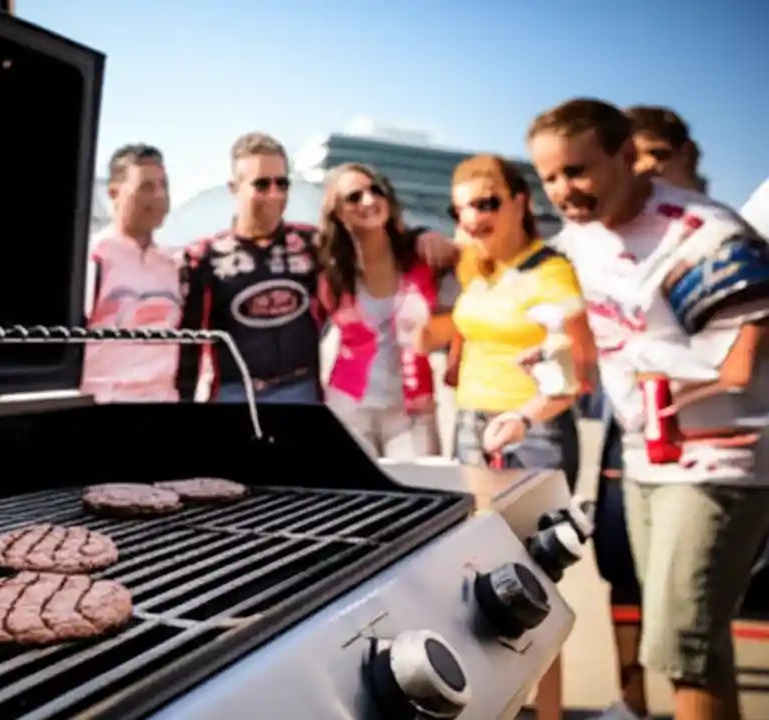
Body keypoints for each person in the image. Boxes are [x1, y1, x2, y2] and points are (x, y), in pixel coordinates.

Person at [527, 97, 769, 720]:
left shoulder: (704, 235)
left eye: (577, 171)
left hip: (720, 463)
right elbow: (571, 320)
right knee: (700, 648)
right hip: (645, 459)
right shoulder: (581, 239)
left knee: (681, 648)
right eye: (549, 176)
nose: (562, 190)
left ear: (629, 157)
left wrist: (648, 380)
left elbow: (739, 364)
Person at [420, 154, 596, 720]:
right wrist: (433, 234)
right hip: (471, 424)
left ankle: (547, 712)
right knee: (473, 573)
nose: (473, 217)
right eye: (462, 207)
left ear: (522, 200)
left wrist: (525, 413)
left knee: (535, 579)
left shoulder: (551, 271)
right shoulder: (476, 265)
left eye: (488, 202)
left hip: (532, 428)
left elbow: (578, 376)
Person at [176, 132, 326, 404]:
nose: (275, 194)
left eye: (282, 183)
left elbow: (374, 245)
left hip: (302, 390)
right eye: (262, 184)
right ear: (234, 188)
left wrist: (422, 236)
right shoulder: (205, 257)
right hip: (235, 393)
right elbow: (189, 343)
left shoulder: (311, 243)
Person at [315, 163, 446, 458]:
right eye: (354, 197)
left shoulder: (421, 255)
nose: (369, 200)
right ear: (337, 212)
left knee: (419, 492)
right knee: (359, 498)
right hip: (348, 408)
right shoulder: (329, 270)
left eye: (376, 190)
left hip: (413, 408)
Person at [81, 143, 180, 403]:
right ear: (114, 193)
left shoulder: (173, 264)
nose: (159, 195)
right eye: (147, 187)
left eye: (164, 185)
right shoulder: (92, 259)